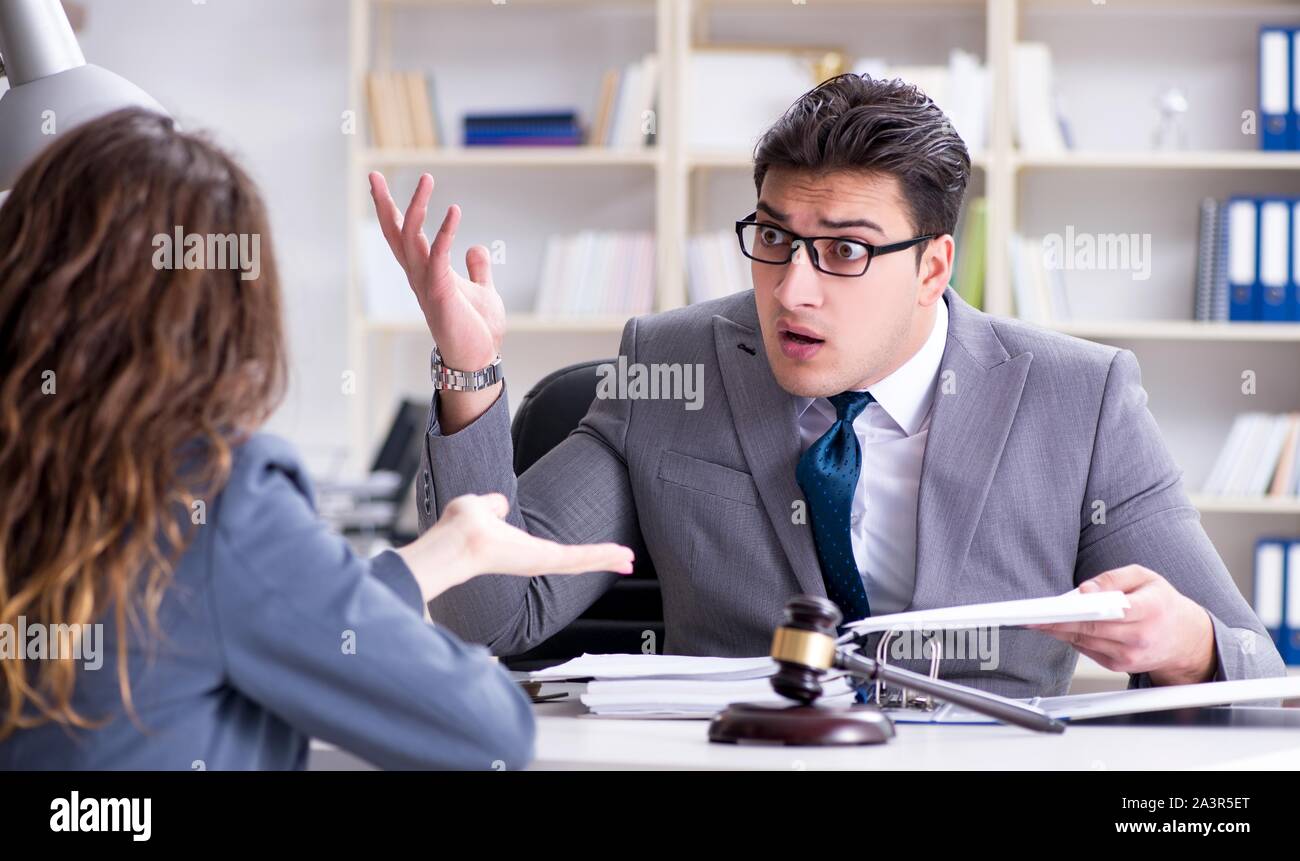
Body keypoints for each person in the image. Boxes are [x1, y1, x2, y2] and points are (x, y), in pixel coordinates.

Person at [369, 74, 1286, 699]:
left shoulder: (1076, 399)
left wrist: (1189, 644)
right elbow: (488, 615)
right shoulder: (673, 364)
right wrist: (468, 370)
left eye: (845, 250)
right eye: (772, 238)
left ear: (934, 266)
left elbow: (1262, 679)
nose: (791, 289)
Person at [0, 109, 632, 770]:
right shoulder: (217, 496)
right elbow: (490, 729)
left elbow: (246, 615)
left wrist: (432, 560)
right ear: (227, 315)